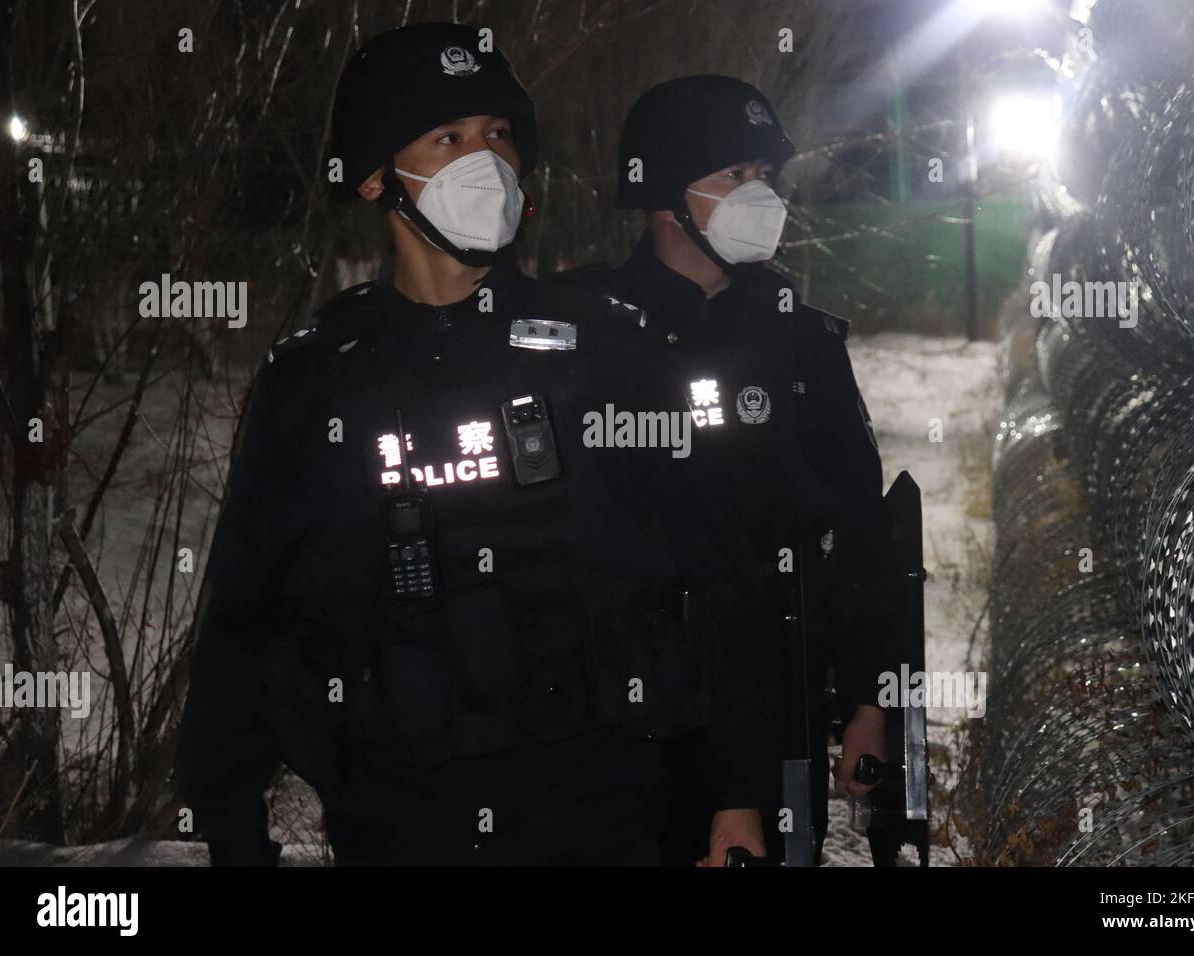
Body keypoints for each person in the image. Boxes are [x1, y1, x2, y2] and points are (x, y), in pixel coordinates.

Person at [174, 26, 776, 867]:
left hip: (612, 816)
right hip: (401, 825)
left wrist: (737, 791)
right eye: (448, 138)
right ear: (379, 175)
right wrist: (228, 817)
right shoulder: (317, 384)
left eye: (497, 135)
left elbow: (717, 581)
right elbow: (248, 613)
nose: (482, 161)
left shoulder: (608, 349)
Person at [555, 75, 896, 865]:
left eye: (765, 176)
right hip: (613, 727)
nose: (760, 196)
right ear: (664, 197)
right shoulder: (587, 332)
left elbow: (856, 528)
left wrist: (870, 700)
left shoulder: (801, 340)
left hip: (773, 708)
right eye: (732, 176)